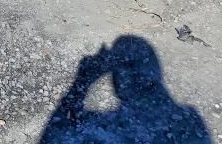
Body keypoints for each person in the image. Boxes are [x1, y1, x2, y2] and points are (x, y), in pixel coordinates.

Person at [41, 35, 211, 143]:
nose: (131, 73)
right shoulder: (189, 121)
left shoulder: (104, 127)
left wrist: (82, 82)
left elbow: (53, 137)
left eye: (128, 64)